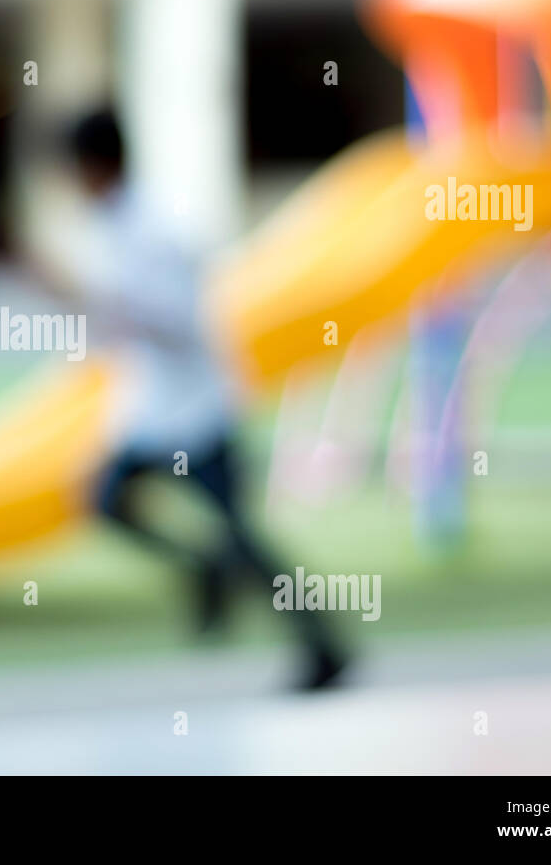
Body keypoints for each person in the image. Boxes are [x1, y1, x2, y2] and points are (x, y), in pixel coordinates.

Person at [33, 107, 347, 690]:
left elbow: (177, 325)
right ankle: (205, 569)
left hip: (197, 411)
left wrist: (90, 300)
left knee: (244, 539)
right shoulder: (111, 228)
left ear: (94, 167)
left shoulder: (152, 230)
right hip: (150, 412)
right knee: (104, 501)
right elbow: (120, 324)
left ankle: (324, 646)